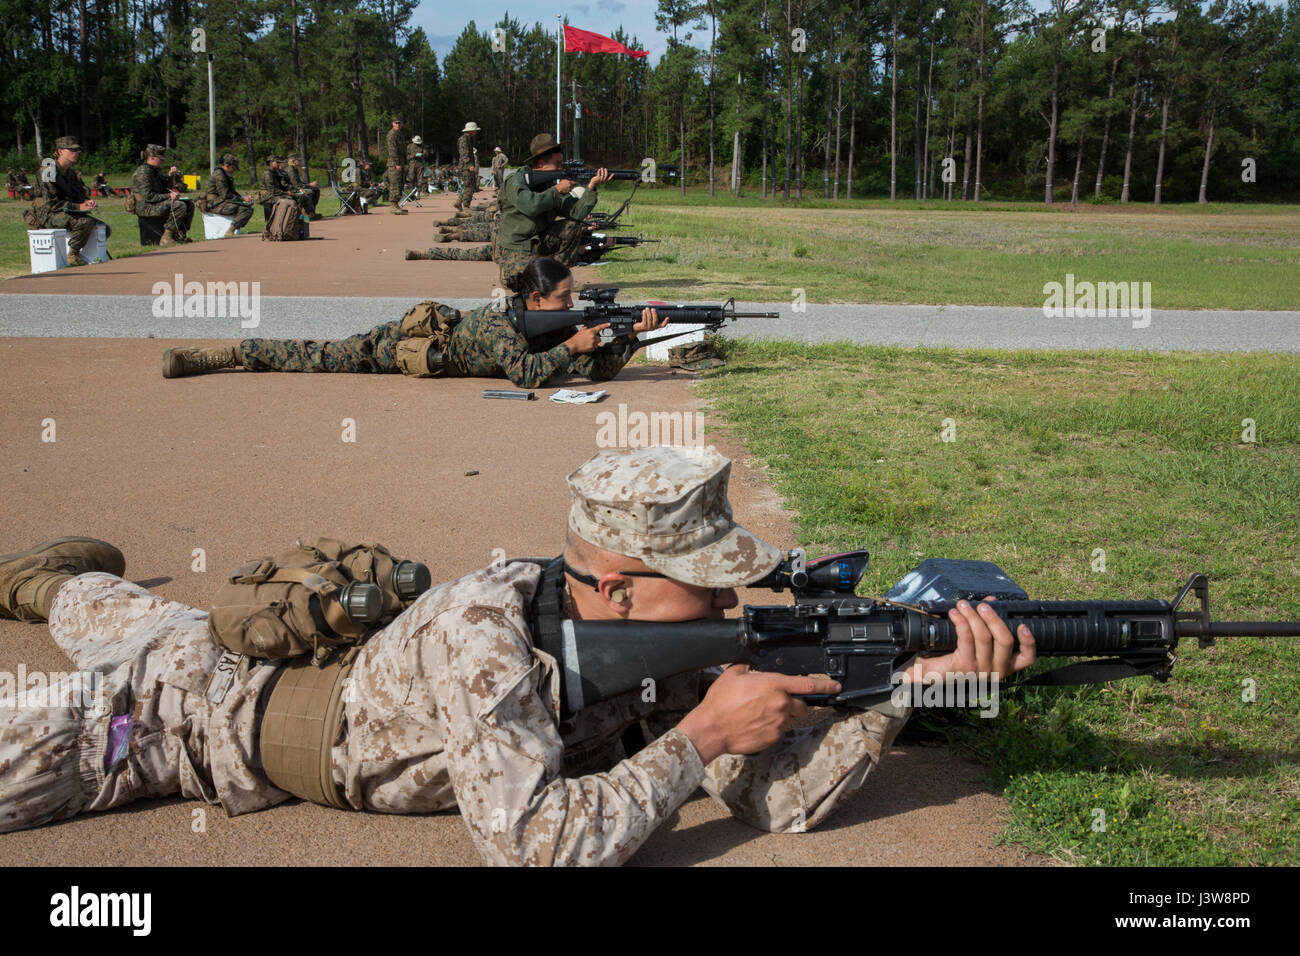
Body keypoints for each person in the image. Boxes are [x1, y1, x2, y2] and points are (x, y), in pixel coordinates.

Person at [0, 447, 1037, 864]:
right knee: (146, 653)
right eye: (708, 578)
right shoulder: (479, 630)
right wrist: (696, 738)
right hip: (178, 726)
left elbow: (775, 802)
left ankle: (56, 582)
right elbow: (532, 844)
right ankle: (60, 586)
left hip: (221, 670)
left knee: (140, 618)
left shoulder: (667, 638)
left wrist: (895, 693)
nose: (730, 598)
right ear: (616, 583)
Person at [157, 256, 668, 388]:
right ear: (535, 297)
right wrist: (577, 345)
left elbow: (590, 373)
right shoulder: (498, 323)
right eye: (565, 297)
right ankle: (229, 353)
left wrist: (629, 339)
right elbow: (528, 375)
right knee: (317, 355)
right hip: (395, 347)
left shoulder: (549, 325)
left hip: (435, 352)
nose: (572, 303)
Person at [494, 133, 613, 290]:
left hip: (539, 241)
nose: (560, 169)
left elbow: (576, 212)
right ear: (542, 164)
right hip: (516, 246)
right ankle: (512, 272)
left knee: (572, 227)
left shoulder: (548, 184)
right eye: (557, 164)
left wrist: (592, 187)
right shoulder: (517, 180)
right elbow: (530, 205)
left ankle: (558, 277)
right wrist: (557, 190)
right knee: (523, 283)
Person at [34, 136, 110, 266]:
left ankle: (88, 256)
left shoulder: (70, 173)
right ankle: (73, 255)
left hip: (64, 211)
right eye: (72, 150)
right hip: (47, 213)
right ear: (60, 151)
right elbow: (51, 203)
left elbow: (79, 194)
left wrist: (87, 202)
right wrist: (78, 207)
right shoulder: (48, 170)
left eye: (77, 151)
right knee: (85, 222)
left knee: (104, 229)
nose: (76, 153)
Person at [132, 144, 194, 245]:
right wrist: (169, 196)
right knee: (179, 205)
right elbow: (148, 196)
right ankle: (166, 237)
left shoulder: (155, 171)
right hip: (146, 207)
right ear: (151, 157)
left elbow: (166, 187)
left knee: (189, 204)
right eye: (160, 159)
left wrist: (173, 176)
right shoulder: (143, 173)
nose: (163, 161)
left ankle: (180, 235)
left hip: (155, 203)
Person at [203, 152, 254, 236]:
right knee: (246, 209)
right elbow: (225, 195)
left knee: (247, 207)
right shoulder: (219, 175)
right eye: (233, 167)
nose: (234, 170)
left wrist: (242, 198)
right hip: (214, 204)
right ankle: (231, 230)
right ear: (227, 165)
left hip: (220, 202)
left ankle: (233, 229)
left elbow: (231, 192)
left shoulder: (225, 174)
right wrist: (242, 199)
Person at [286, 153, 321, 219]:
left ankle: (311, 212)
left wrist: (310, 185)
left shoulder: (294, 169)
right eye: (298, 160)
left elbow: (300, 183)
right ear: (293, 161)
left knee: (316, 189)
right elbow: (296, 184)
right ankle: (307, 213)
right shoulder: (290, 170)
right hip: (292, 189)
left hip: (296, 188)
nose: (300, 161)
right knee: (309, 192)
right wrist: (309, 185)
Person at [455, 121, 479, 212]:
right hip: (466, 166)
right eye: (474, 130)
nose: (475, 132)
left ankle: (459, 201)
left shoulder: (468, 139)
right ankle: (466, 206)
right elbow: (464, 153)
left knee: (469, 185)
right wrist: (469, 165)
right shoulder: (464, 139)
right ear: (471, 130)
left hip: (467, 165)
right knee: (470, 185)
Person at [385, 117, 407, 215]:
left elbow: (403, 150)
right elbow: (392, 150)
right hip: (394, 163)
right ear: (392, 124)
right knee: (395, 183)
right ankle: (393, 205)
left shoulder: (400, 134)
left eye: (399, 123)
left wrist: (404, 163)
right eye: (396, 123)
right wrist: (397, 163)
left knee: (400, 183)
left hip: (401, 162)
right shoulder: (392, 135)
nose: (398, 124)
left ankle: (396, 204)